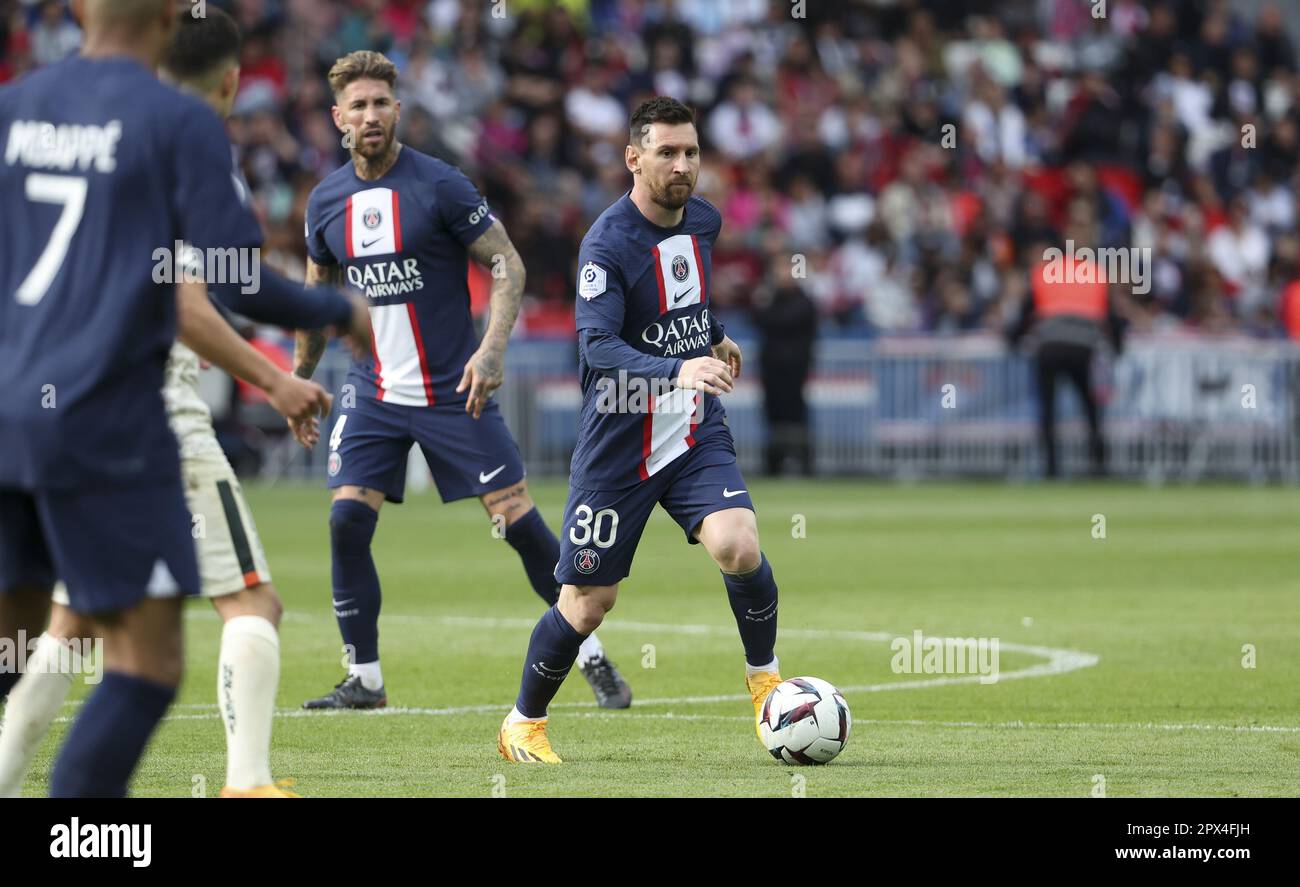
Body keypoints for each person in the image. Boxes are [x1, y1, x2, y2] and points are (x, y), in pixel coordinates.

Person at [0, 0, 365, 797]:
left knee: (45, 635)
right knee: (221, 616)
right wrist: (333, 317)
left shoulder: (16, 107)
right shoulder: (177, 127)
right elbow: (207, 290)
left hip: (14, 402)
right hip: (123, 409)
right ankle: (245, 784)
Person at [293, 51, 632, 711]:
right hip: (374, 392)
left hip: (456, 388)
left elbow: (507, 262)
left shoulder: (441, 185)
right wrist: (295, 382)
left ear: (399, 110)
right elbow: (316, 301)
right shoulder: (326, 203)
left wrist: (492, 349)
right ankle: (364, 678)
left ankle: (588, 653)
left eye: (381, 104)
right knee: (344, 522)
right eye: (357, 106)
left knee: (519, 525)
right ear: (338, 118)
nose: (370, 116)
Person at [497, 97, 785, 764]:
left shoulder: (704, 222)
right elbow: (598, 346)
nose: (682, 164)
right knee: (589, 601)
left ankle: (765, 680)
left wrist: (714, 336)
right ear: (634, 158)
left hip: (691, 433)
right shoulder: (605, 244)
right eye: (666, 152)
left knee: (739, 544)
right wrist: (680, 365)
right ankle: (522, 723)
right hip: (619, 443)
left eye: (690, 152)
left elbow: (681, 301)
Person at [1008, 238, 1125, 478]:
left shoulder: (1044, 273)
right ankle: (1099, 463)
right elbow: (1110, 316)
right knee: (1090, 408)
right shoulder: (1093, 273)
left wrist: (1011, 340)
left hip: (1049, 347)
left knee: (1048, 410)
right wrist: (1117, 347)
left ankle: (1052, 467)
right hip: (1082, 348)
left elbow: (1026, 312)